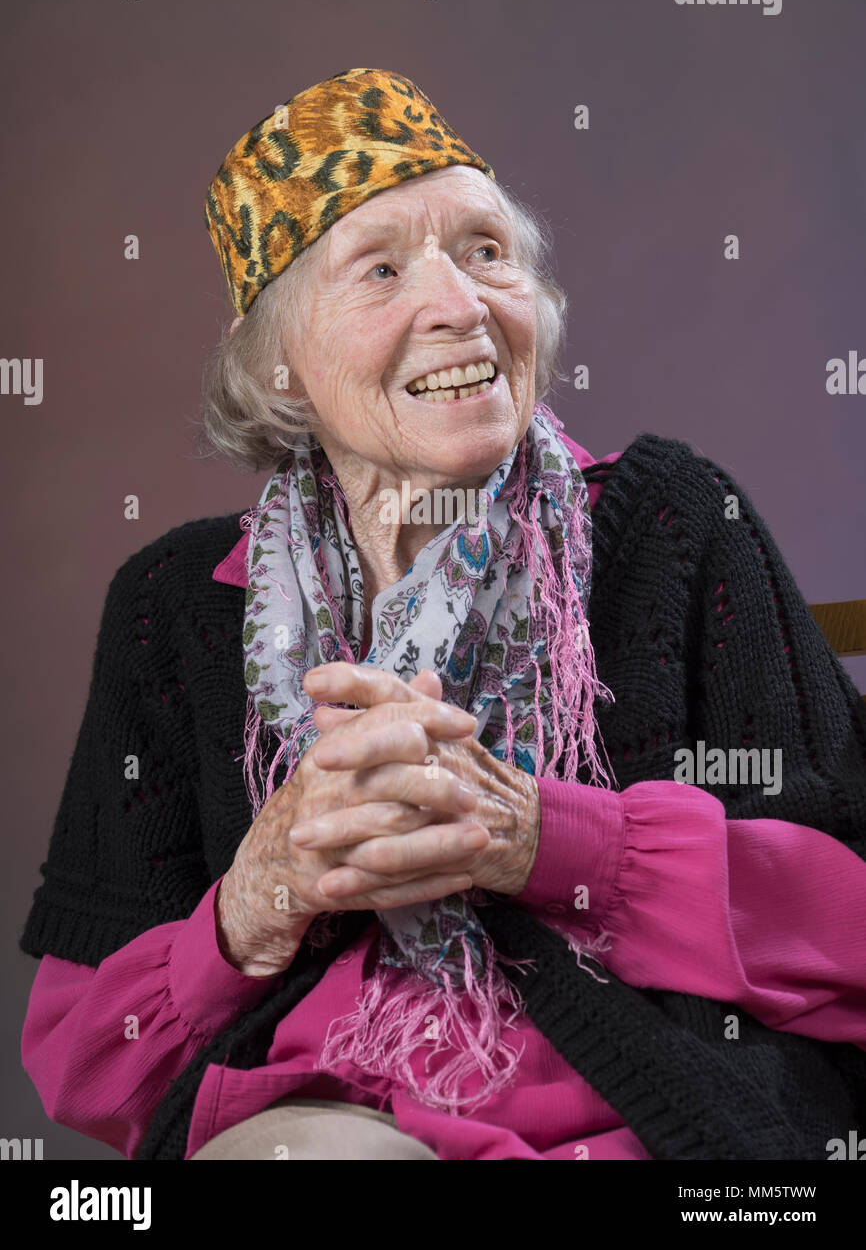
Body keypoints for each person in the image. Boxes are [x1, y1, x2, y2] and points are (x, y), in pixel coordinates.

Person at [20, 67, 866, 1161]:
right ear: (279, 361)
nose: (461, 307)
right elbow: (90, 1058)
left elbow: (843, 926)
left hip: (649, 1121)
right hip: (326, 1126)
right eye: (380, 269)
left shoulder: (670, 526)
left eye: (484, 252)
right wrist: (260, 895)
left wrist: (535, 841)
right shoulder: (175, 606)